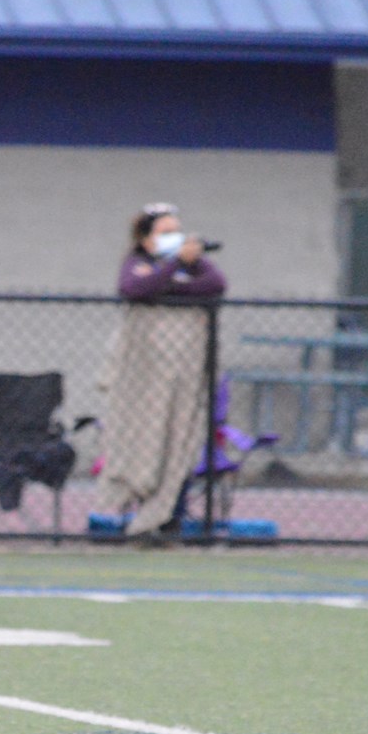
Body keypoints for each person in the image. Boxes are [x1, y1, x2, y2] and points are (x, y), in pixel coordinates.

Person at [91, 202, 227, 543]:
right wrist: (174, 267)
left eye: (177, 232)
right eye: (166, 233)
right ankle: (135, 519)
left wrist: (188, 266)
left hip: (184, 375)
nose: (175, 239)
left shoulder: (195, 267)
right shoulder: (136, 263)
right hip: (146, 375)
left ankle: (169, 522)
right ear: (147, 239)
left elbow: (214, 285)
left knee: (178, 443)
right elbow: (136, 289)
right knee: (143, 441)